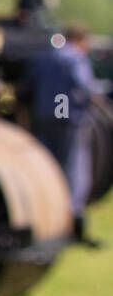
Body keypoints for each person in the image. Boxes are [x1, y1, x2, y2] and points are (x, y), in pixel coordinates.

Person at [31, 24, 99, 243]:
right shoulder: (74, 58)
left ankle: (47, 212)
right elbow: (85, 85)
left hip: (44, 117)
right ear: (80, 39)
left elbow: (29, 83)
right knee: (74, 168)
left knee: (49, 165)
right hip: (69, 118)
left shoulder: (45, 57)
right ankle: (71, 220)